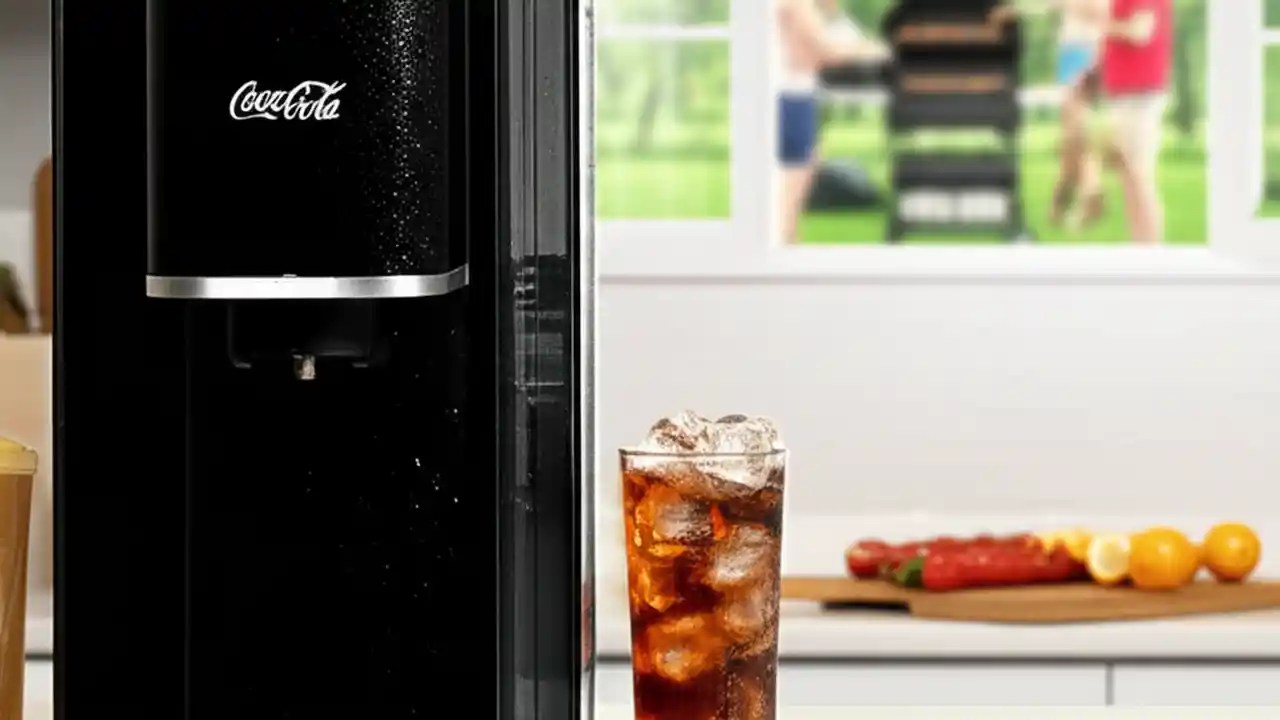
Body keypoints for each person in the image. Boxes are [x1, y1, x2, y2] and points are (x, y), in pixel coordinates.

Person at [776, 0, 889, 244]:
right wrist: (876, 50)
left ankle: (784, 262)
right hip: (793, 98)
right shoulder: (795, 3)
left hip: (784, 97)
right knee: (785, 212)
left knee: (782, 206)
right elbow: (825, 51)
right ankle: (785, 265)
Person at [991, 0, 1110, 229]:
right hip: (1088, 52)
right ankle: (1061, 204)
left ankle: (1089, 191)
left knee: (1074, 135)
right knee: (1073, 136)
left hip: (1080, 53)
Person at [1098, 0, 1173, 244]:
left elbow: (1140, 32)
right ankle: (1141, 253)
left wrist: (1097, 24)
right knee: (1129, 177)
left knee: (1139, 175)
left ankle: (1153, 257)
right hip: (1124, 92)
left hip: (1139, 93)